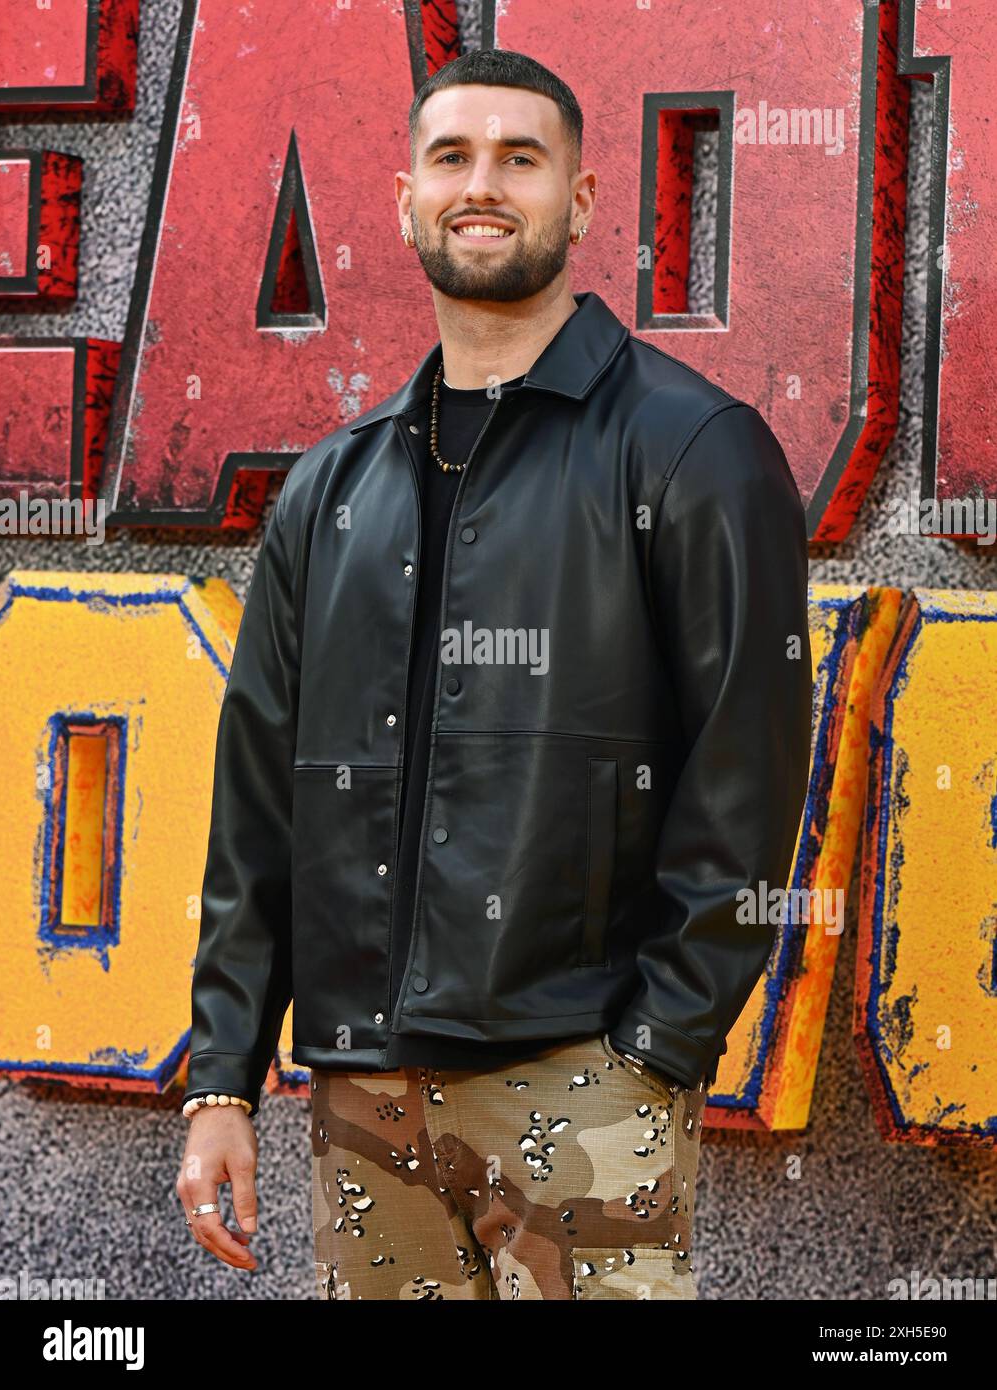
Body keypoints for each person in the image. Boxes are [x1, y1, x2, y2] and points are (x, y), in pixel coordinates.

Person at [177, 48, 812, 1301]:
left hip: (580, 1088)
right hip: (361, 1096)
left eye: (520, 158)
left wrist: (655, 1050)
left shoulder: (692, 449)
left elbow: (747, 778)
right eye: (452, 157)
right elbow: (259, 798)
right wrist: (222, 1076)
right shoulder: (331, 490)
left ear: (577, 202)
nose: (483, 185)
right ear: (405, 195)